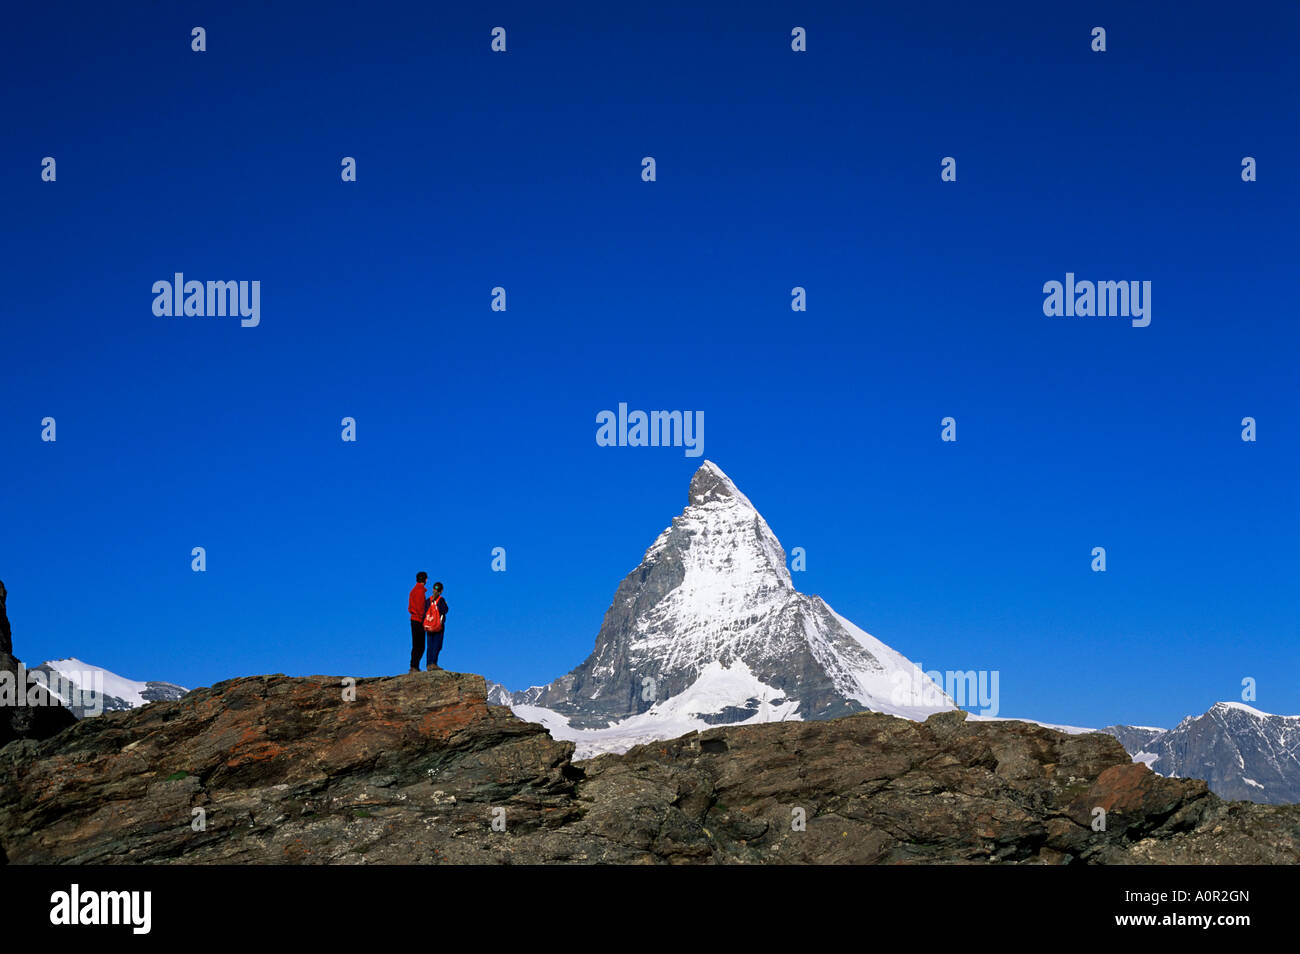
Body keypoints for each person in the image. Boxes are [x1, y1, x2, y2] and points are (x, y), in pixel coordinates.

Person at [422, 582, 449, 671]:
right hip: (438, 626)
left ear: (433, 589)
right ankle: (434, 663)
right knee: (437, 645)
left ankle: (428, 664)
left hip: (429, 626)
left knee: (430, 645)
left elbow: (424, 613)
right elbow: (445, 610)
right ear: (441, 591)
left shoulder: (428, 600)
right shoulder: (441, 600)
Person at [407, 572, 428, 673]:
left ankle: (414, 666)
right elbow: (420, 607)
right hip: (419, 620)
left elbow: (410, 607)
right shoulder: (420, 591)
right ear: (425, 580)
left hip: (413, 618)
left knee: (416, 644)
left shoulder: (413, 591)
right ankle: (414, 666)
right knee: (420, 645)